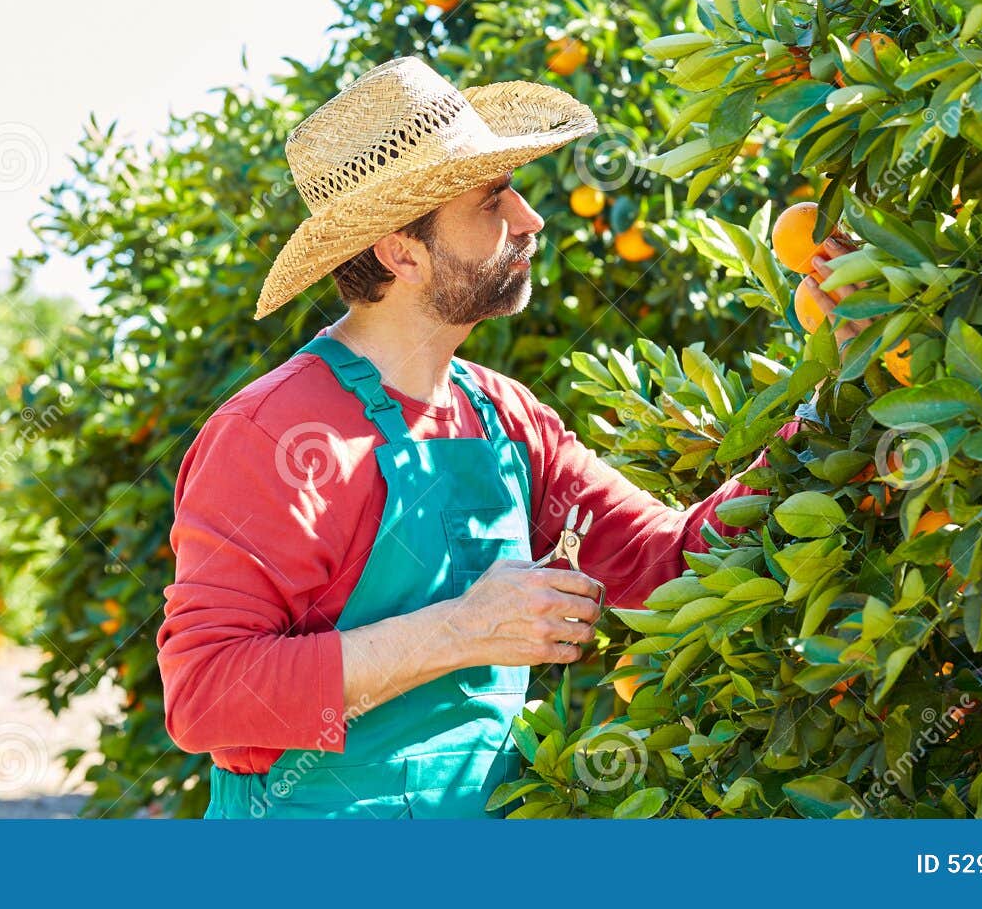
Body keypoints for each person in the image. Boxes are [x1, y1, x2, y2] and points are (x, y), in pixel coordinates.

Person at [155, 56, 858, 819]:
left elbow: (671, 564)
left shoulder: (504, 417)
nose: (530, 219)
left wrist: (842, 384)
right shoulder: (275, 434)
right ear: (402, 250)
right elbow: (205, 694)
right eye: (494, 202)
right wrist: (461, 629)